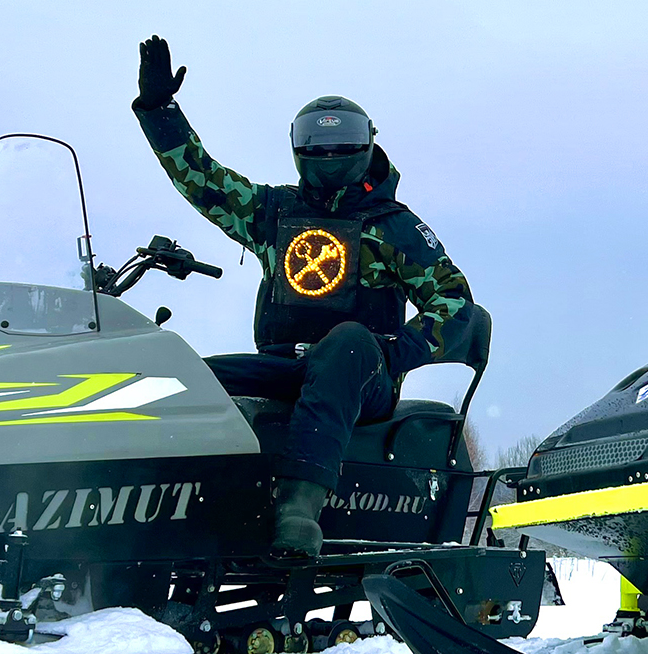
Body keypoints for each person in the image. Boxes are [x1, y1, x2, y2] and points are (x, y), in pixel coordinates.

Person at [131, 36, 478, 562]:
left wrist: (393, 352)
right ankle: (156, 507)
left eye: (344, 142)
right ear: (298, 146)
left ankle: (300, 507)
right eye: (318, 141)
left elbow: (455, 304)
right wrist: (160, 112)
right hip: (282, 366)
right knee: (183, 374)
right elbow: (204, 181)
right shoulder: (271, 212)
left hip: (362, 377)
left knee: (346, 342)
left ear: (368, 145)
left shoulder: (396, 227)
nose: (331, 152)